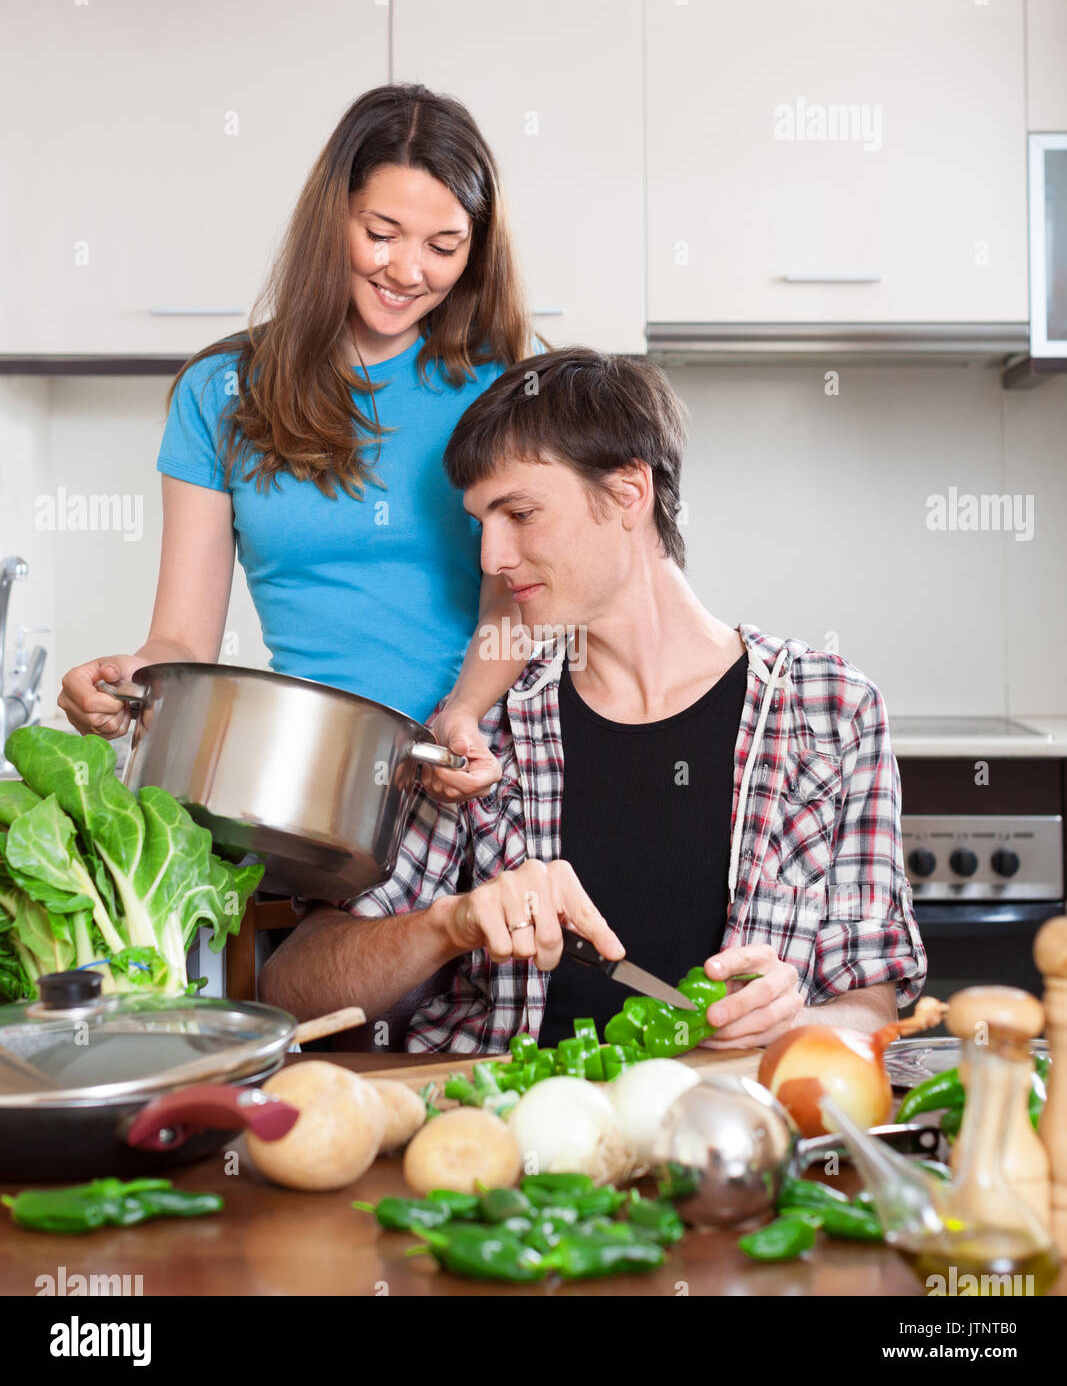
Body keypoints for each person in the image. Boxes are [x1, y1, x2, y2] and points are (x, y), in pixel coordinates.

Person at [259, 347, 927, 1052]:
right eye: (481, 522)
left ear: (628, 493)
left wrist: (791, 1022)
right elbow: (295, 993)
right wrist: (445, 924)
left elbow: (872, 1009)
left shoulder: (832, 711)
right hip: (501, 1138)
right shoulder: (487, 729)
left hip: (727, 1139)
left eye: (519, 512)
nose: (491, 558)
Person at [56, 83, 538, 801]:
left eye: (443, 247)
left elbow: (515, 601)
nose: (407, 272)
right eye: (380, 233)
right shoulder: (220, 392)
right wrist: (130, 679)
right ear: (330, 217)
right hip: (308, 776)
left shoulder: (500, 389)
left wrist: (461, 714)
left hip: (482, 756)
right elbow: (183, 641)